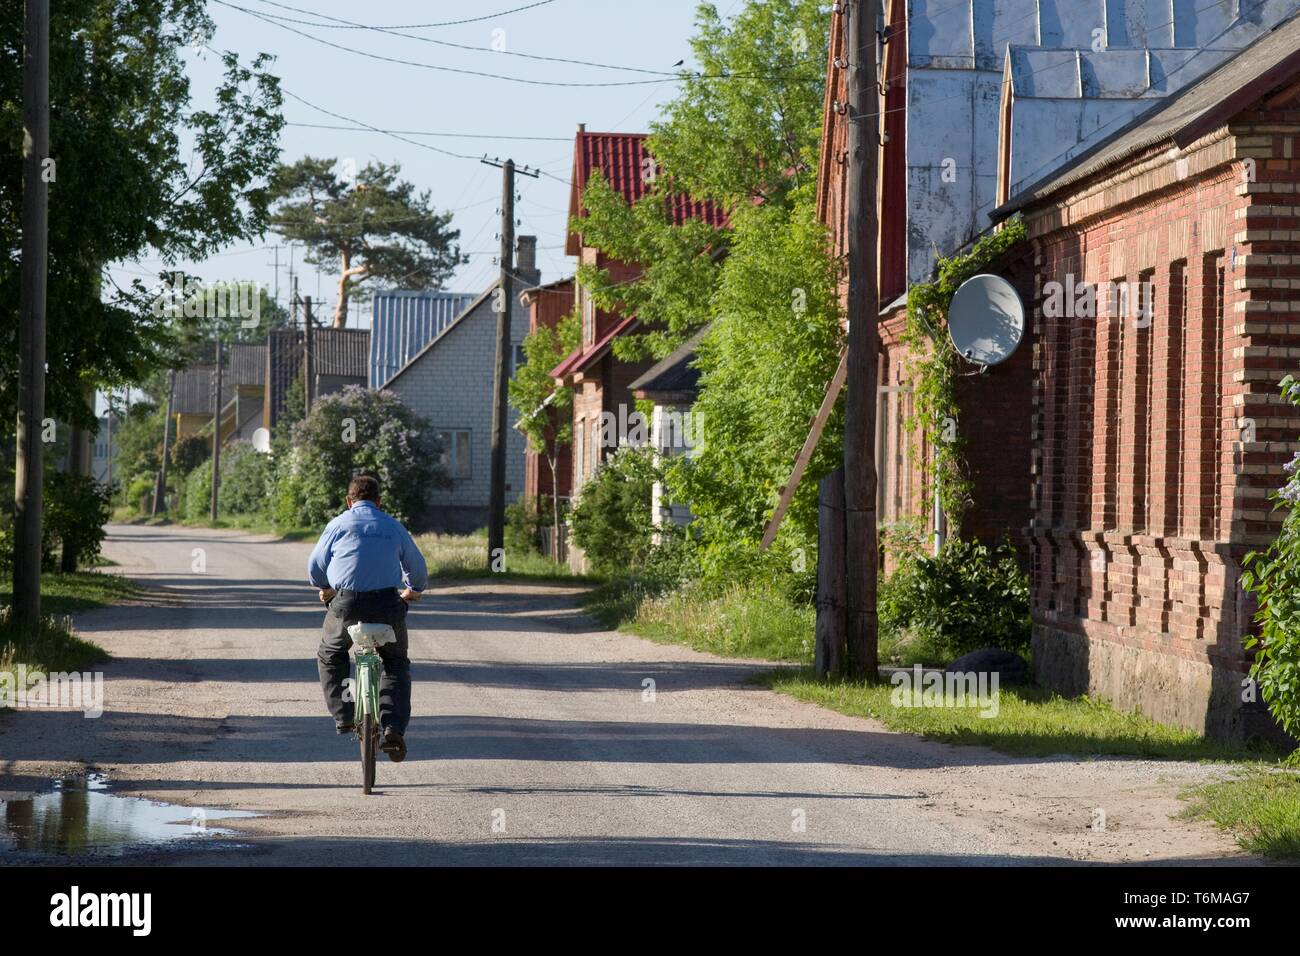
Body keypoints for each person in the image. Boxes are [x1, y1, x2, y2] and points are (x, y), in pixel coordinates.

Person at [308, 474, 428, 763]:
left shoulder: (338, 524)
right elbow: (417, 569)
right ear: (379, 502)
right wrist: (413, 590)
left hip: (346, 604)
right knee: (395, 663)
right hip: (387, 603)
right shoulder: (393, 526)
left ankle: (345, 715)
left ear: (349, 501)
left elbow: (315, 567)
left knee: (331, 654)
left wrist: (326, 588)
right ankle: (393, 728)